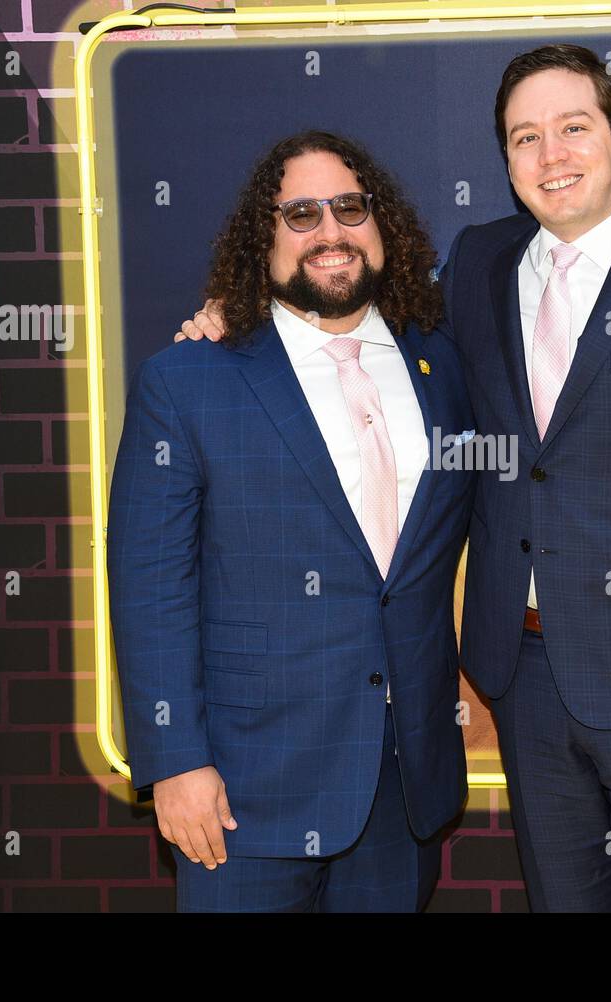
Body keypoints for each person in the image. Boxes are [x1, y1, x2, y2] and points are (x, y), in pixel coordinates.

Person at [178, 44, 611, 912]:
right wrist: (232, 317)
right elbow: (354, 314)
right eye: (525, 138)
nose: (552, 156)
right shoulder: (478, 264)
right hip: (524, 680)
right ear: (506, 161)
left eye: (574, 128)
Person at [111, 130, 476, 911]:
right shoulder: (187, 381)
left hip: (402, 783)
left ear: (382, 224)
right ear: (263, 239)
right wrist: (174, 762)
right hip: (242, 793)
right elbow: (149, 587)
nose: (330, 231)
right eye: (300, 214)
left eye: (349, 207)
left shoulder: (442, 364)